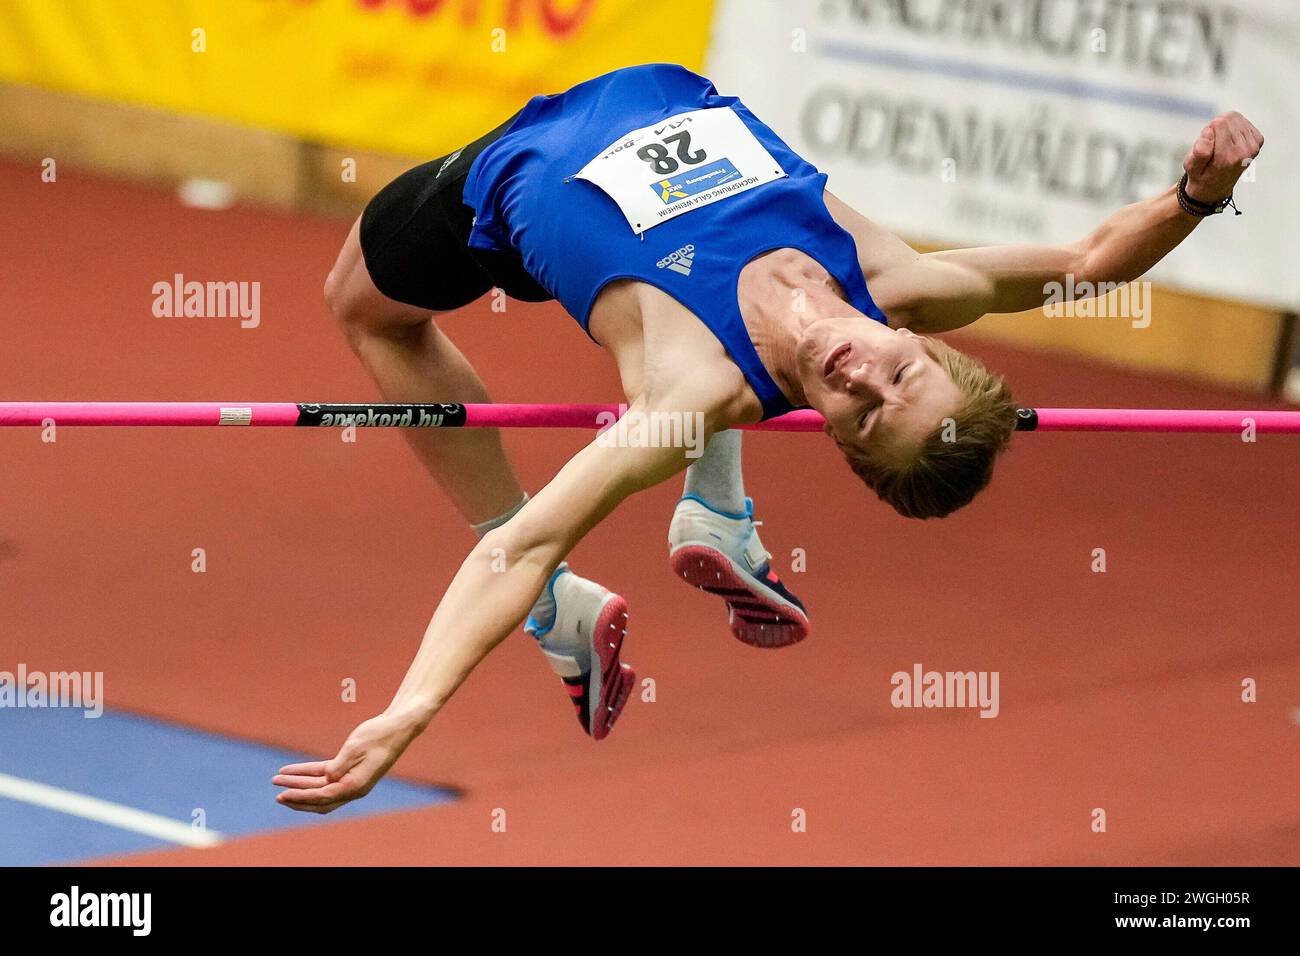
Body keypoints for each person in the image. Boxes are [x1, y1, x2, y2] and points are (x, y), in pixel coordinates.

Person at [277, 64, 1261, 812]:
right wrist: (1196, 196)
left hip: (499, 187)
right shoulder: (894, 277)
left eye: (865, 414)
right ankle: (718, 512)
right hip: (664, 87)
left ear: (833, 437)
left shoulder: (686, 390)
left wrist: (411, 705)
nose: (863, 374)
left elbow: (522, 539)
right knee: (733, 371)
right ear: (917, 339)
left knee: (361, 308)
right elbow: (1089, 262)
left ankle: (577, 597)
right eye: (902, 371)